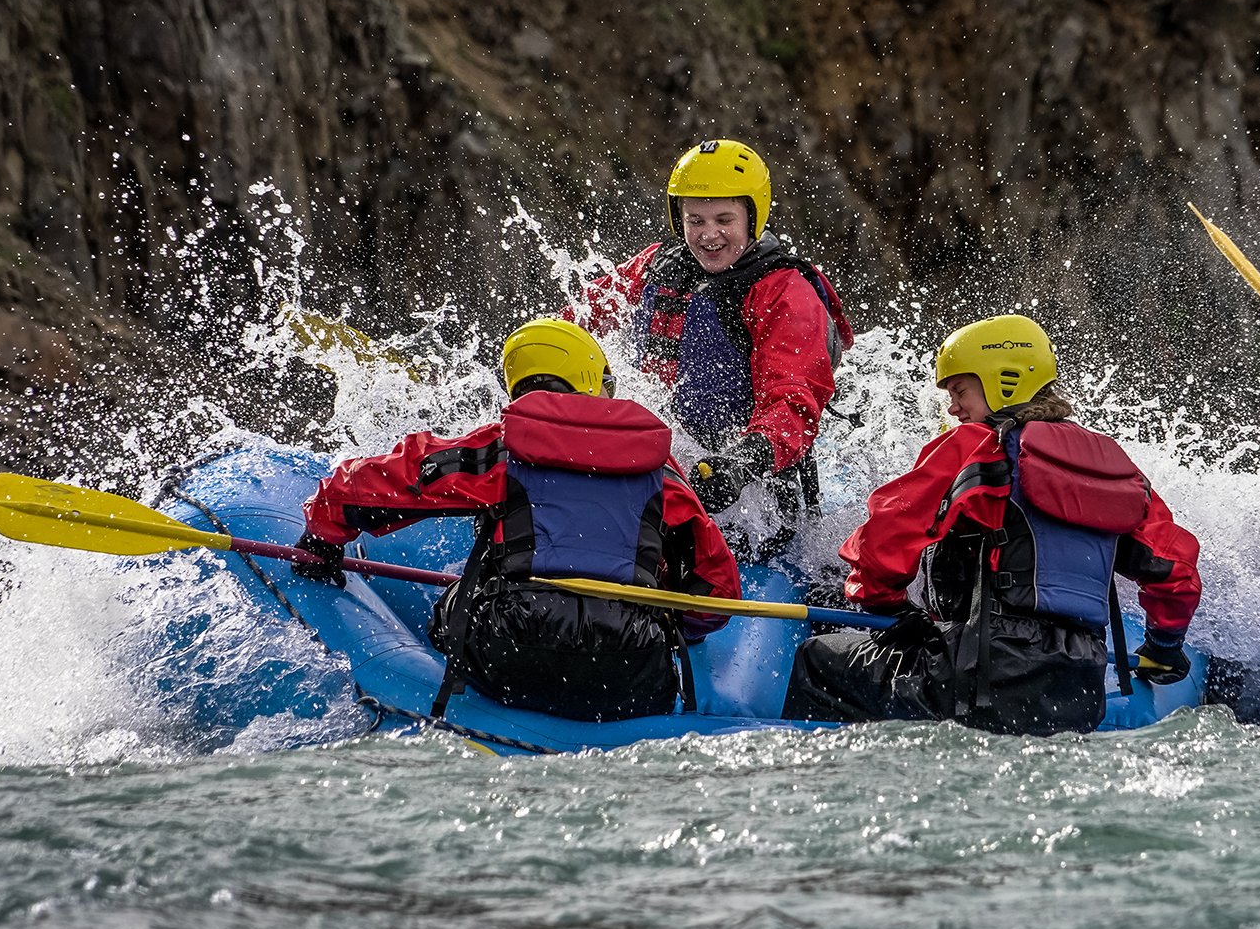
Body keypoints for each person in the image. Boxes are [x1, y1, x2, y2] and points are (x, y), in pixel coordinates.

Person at [293, 318, 742, 722]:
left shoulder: (504, 449)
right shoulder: (660, 471)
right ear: (598, 382)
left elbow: (377, 484)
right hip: (630, 672)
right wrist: (672, 625)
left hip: (510, 654)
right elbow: (716, 589)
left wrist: (322, 538)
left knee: (457, 596)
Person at [781, 315, 1205, 736]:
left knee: (819, 659)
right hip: (1079, 691)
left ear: (1003, 380)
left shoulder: (976, 446)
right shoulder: (1116, 468)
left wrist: (887, 606)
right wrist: (1164, 648)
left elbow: (885, 535)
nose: (952, 407)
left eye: (960, 390)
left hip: (978, 681)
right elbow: (1177, 571)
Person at [566, 139, 854, 534]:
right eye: (695, 220)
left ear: (753, 218)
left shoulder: (785, 292)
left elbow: (794, 400)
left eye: (724, 219)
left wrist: (741, 464)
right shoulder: (657, 264)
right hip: (675, 465)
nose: (709, 235)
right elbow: (583, 317)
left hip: (762, 488)